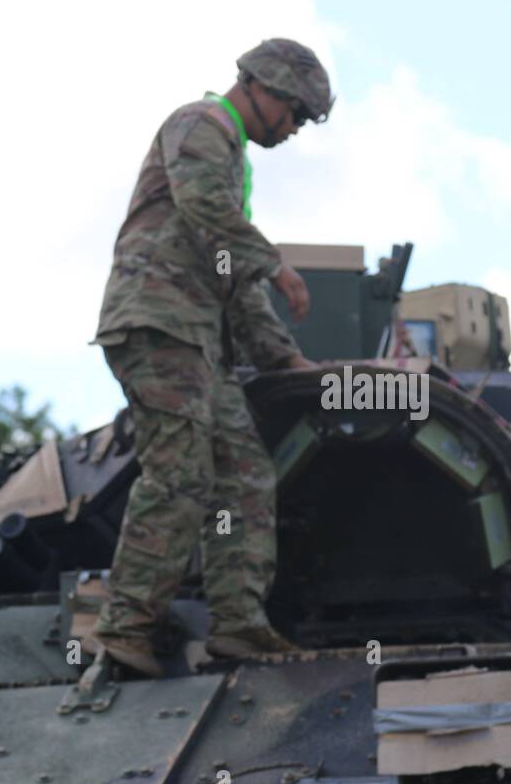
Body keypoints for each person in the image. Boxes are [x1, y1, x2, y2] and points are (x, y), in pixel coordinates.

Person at [89, 39, 335, 677]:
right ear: (267, 90)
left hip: (198, 340)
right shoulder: (200, 125)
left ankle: (239, 627)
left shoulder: (234, 162)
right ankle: (125, 630)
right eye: (296, 114)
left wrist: (285, 361)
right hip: (157, 323)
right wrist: (276, 262)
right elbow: (204, 209)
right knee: (180, 473)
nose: (293, 130)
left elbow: (234, 281)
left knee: (244, 475)